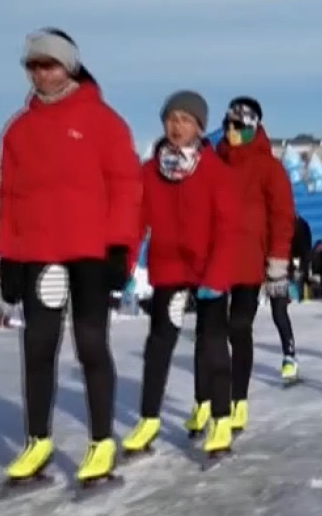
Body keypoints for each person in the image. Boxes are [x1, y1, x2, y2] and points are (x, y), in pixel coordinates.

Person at [0, 29, 143, 488]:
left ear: (70, 67)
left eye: (49, 64)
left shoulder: (104, 122)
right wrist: (8, 255)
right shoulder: (18, 130)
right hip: (40, 253)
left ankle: (101, 442)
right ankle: (37, 440)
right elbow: (9, 198)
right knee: (37, 347)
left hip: (91, 253)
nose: (41, 74)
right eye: (33, 66)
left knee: (91, 344)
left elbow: (126, 188)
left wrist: (121, 248)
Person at [125, 92, 242, 459]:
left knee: (212, 344)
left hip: (208, 267)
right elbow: (135, 222)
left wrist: (217, 276)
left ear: (199, 128)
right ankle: (148, 418)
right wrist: (125, 265)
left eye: (185, 120)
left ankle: (220, 418)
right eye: (171, 119)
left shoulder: (215, 172)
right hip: (168, 267)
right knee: (158, 344)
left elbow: (228, 228)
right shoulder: (149, 171)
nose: (177, 126)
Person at [202, 97, 298, 416]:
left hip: (249, 262)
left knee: (239, 327)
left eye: (239, 126)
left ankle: (238, 399)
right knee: (210, 332)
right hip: (215, 260)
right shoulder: (215, 162)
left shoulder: (269, 168)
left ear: (252, 128)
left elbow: (282, 216)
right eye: (228, 125)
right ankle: (206, 399)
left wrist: (277, 261)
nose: (231, 131)